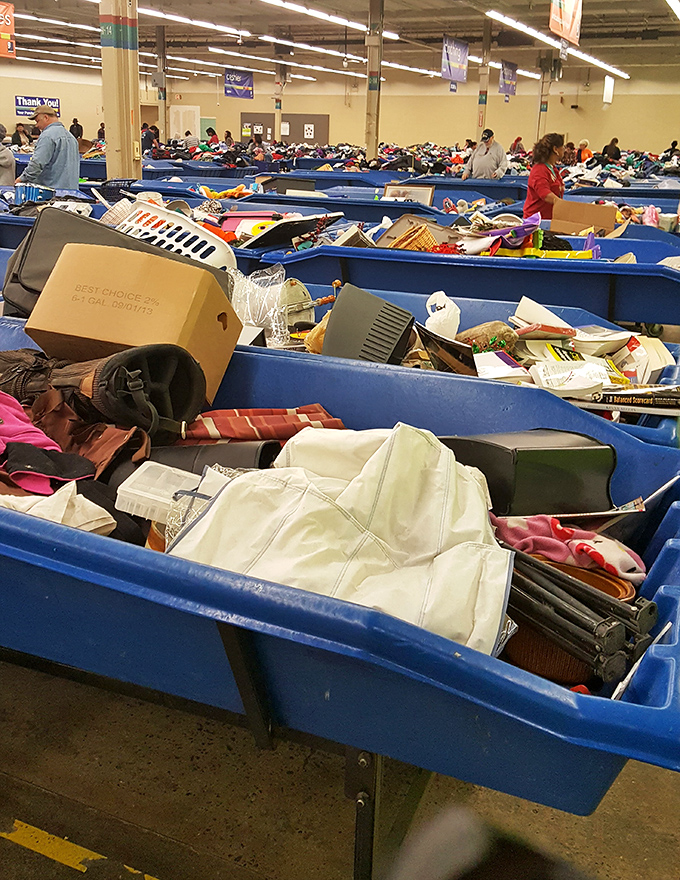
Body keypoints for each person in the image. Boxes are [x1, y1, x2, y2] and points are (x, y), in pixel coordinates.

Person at [15, 106, 79, 190]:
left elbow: (37, 163)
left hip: (51, 193)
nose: (37, 125)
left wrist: (21, 179)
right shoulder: (71, 138)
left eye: (37, 121)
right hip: (72, 192)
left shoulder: (47, 136)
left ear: (46, 117)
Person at [523, 132, 565, 219]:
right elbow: (545, 194)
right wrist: (565, 206)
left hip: (549, 219)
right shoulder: (539, 170)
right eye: (562, 146)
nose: (564, 149)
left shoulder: (552, 168)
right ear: (555, 149)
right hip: (536, 222)